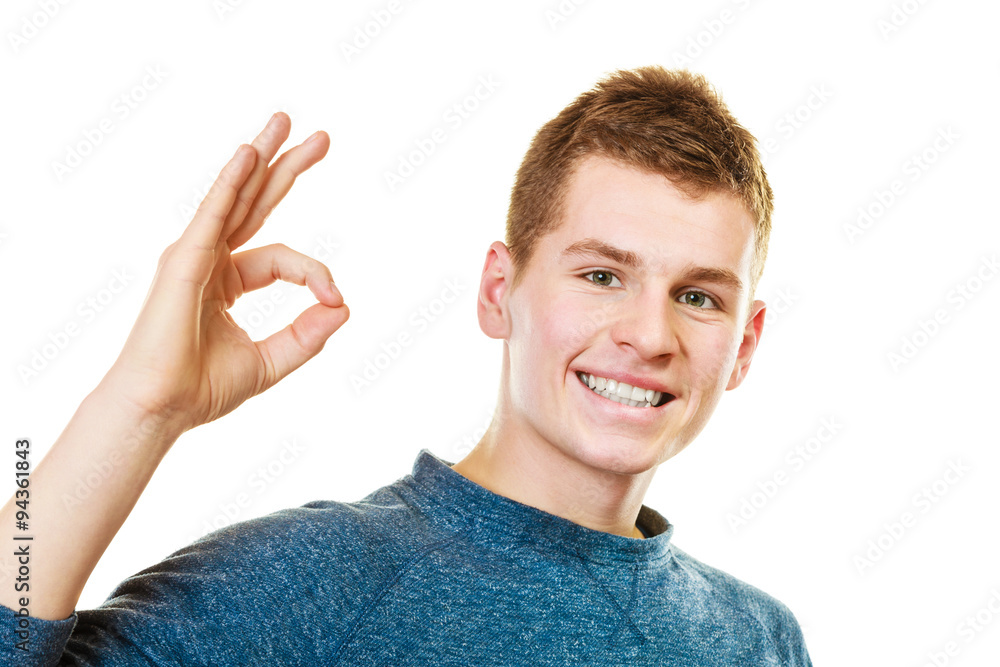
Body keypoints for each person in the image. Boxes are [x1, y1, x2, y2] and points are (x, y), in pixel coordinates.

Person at [2, 66, 813, 664]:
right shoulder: (314, 582)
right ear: (501, 290)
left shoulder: (760, 639)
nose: (649, 334)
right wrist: (139, 406)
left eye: (700, 297)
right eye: (603, 275)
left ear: (744, 343)